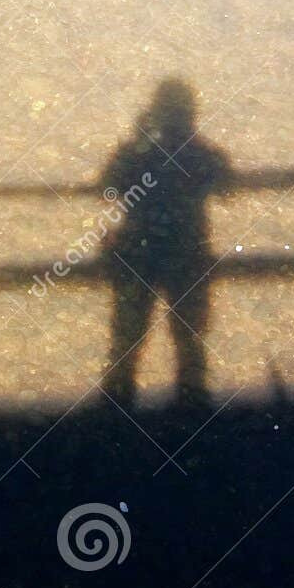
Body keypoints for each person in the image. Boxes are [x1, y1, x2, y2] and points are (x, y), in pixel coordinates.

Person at [99, 79, 230, 405]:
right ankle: (191, 399)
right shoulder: (200, 154)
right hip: (187, 250)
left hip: (139, 250)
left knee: (128, 333)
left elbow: (107, 187)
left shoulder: (137, 154)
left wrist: (137, 141)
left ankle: (119, 396)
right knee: (189, 334)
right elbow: (227, 185)